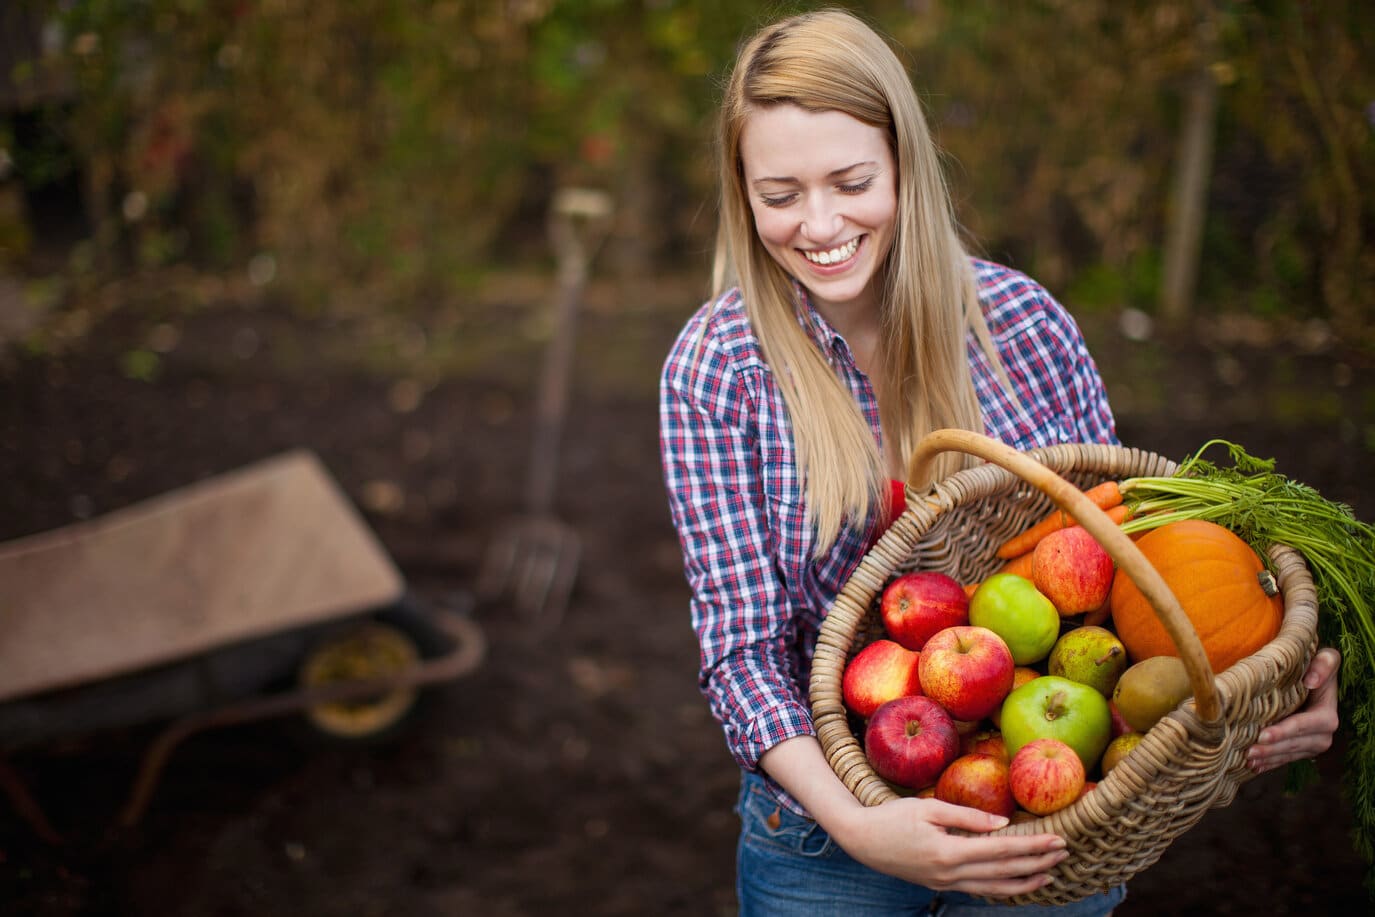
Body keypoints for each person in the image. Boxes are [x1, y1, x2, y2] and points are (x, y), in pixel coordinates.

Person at [658, 8, 1342, 916]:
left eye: (850, 181)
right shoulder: (716, 370)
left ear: (906, 164)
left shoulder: (1021, 326)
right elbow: (741, 649)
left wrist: (1273, 674)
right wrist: (860, 824)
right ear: (741, 193)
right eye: (778, 194)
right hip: (823, 841)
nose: (816, 224)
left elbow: (1130, 539)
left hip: (1046, 824)